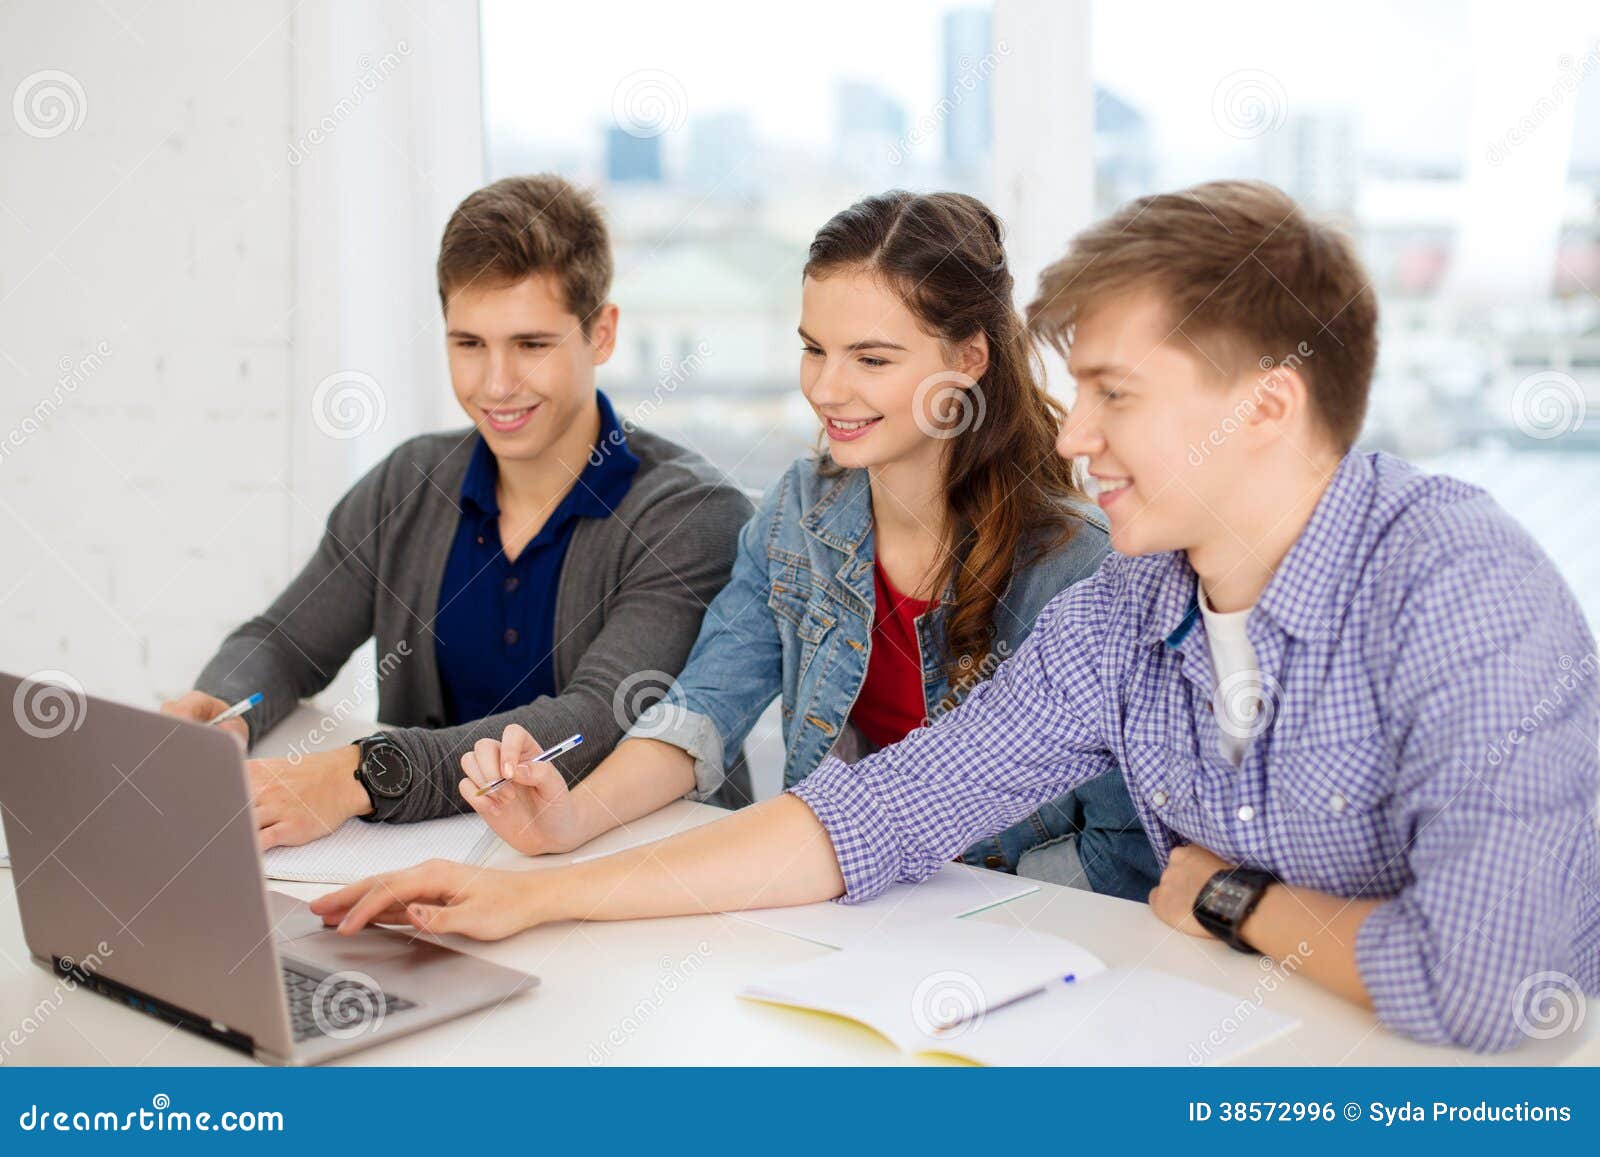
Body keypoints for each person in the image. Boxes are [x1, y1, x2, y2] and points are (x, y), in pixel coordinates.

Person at [314, 181, 1600, 1052]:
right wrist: (547, 899)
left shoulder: (1458, 591)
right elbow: (870, 811)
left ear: (1263, 405)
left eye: (1113, 393)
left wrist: (1222, 894)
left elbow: (1484, 984)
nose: (1077, 433)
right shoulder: (1130, 611)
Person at [449, 190, 1157, 897]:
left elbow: (1122, 855)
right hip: (840, 897)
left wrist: (936, 910)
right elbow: (704, 706)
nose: (826, 387)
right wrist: (573, 817)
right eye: (814, 349)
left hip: (1010, 934)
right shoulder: (798, 509)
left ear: (969, 357)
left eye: (871, 359)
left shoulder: (1080, 565)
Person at [162, 174, 753, 849]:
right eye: (469, 343)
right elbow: (284, 642)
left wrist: (362, 774)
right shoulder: (410, 483)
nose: (496, 383)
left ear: (603, 332)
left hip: (626, 880)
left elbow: (591, 722)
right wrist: (228, 708)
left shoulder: (691, 514)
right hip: (432, 856)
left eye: (532, 345)